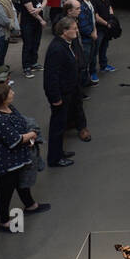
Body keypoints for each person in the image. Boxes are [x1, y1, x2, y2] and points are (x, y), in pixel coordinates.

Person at [0, 82, 49, 229]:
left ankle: (30, 205)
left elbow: (22, 124)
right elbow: (15, 140)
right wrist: (32, 135)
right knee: (5, 193)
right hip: (7, 164)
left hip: (18, 158)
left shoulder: (10, 108)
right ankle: (4, 222)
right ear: (2, 99)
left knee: (21, 184)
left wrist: (29, 137)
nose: (13, 93)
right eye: (9, 92)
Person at [43, 17, 83, 167]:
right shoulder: (57, 49)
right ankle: (54, 158)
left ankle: (59, 152)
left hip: (67, 91)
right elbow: (51, 76)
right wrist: (55, 97)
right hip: (60, 94)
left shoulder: (65, 44)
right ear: (64, 31)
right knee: (57, 127)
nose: (77, 31)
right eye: (74, 28)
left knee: (61, 124)